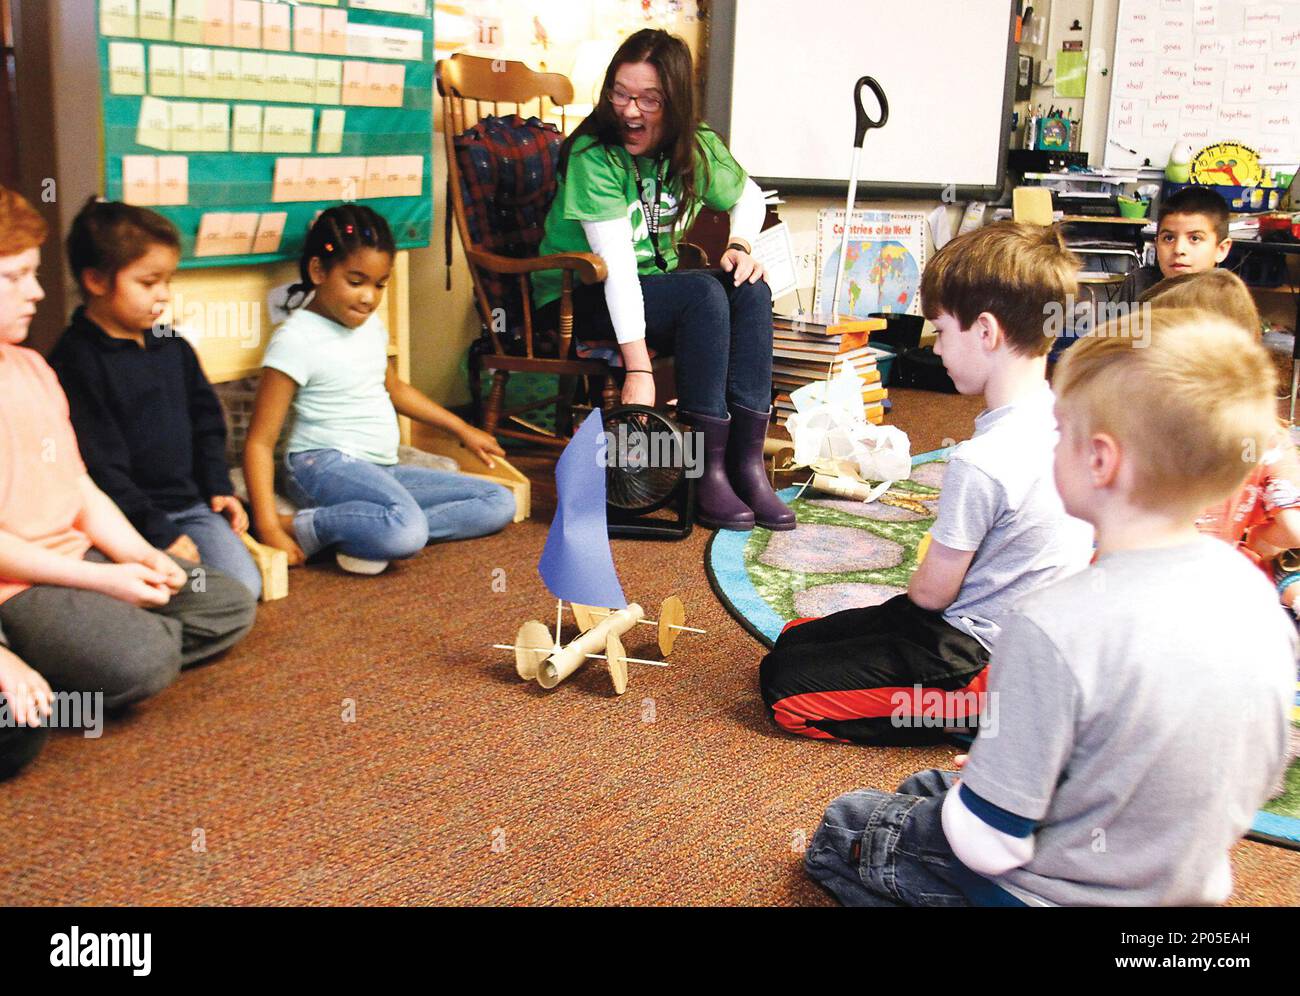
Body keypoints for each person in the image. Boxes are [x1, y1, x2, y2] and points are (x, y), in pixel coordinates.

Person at [804, 309, 1295, 906]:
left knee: (850, 824)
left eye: (1060, 430)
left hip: (1045, 893)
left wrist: (989, 790)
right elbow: (1256, 776)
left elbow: (990, 847)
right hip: (1181, 887)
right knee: (929, 785)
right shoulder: (1257, 598)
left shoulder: (1054, 621)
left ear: (1100, 461)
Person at [759, 223, 1093, 744]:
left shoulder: (984, 460)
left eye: (940, 330)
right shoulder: (1064, 417)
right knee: (793, 639)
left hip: (984, 659)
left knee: (784, 689)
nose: (935, 349)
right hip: (1017, 634)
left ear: (986, 332)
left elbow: (931, 594)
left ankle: (977, 713)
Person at [0, 185, 256, 720]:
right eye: (15, 277)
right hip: (18, 583)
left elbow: (81, 486)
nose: (38, 293)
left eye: (34, 274)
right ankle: (46, 666)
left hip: (79, 553)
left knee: (229, 603)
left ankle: (91, 650)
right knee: (145, 658)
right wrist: (104, 581)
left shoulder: (32, 368)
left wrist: (141, 555)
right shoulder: (72, 358)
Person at [531, 28, 791, 532]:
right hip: (579, 295)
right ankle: (706, 472)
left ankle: (746, 467)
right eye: (621, 94)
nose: (631, 111)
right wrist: (639, 368)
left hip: (654, 291)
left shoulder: (694, 144)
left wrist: (740, 246)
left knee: (749, 287)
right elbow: (618, 270)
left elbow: (749, 196)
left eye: (649, 99)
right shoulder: (592, 154)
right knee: (702, 292)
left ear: (675, 102)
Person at [245, 204, 516, 575]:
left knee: (497, 500)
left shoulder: (370, 327)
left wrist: (463, 429)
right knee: (405, 528)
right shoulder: (295, 338)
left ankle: (373, 531)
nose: (369, 298)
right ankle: (305, 526)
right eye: (356, 282)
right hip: (321, 464)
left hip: (382, 467)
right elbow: (259, 442)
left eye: (379, 285)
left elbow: (396, 389)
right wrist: (268, 526)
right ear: (318, 271)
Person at [50, 199, 262, 598]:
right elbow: (99, 468)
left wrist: (218, 485)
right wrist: (159, 533)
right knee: (181, 591)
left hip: (190, 506)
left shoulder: (171, 344)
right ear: (96, 281)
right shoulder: (75, 360)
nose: (163, 295)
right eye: (148, 283)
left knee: (244, 587)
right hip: (123, 521)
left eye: (168, 281)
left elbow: (207, 420)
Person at [1140, 268, 1300, 608]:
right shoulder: (1266, 434)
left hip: (1140, 591)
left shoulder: (1142, 425)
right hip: (1222, 595)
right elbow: (1294, 527)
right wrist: (1259, 541)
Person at [1117, 185, 1232, 304]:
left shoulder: (1229, 299)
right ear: (1157, 245)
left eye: (1195, 238)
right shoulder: (1138, 284)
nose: (1178, 249)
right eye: (1169, 238)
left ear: (1221, 249)